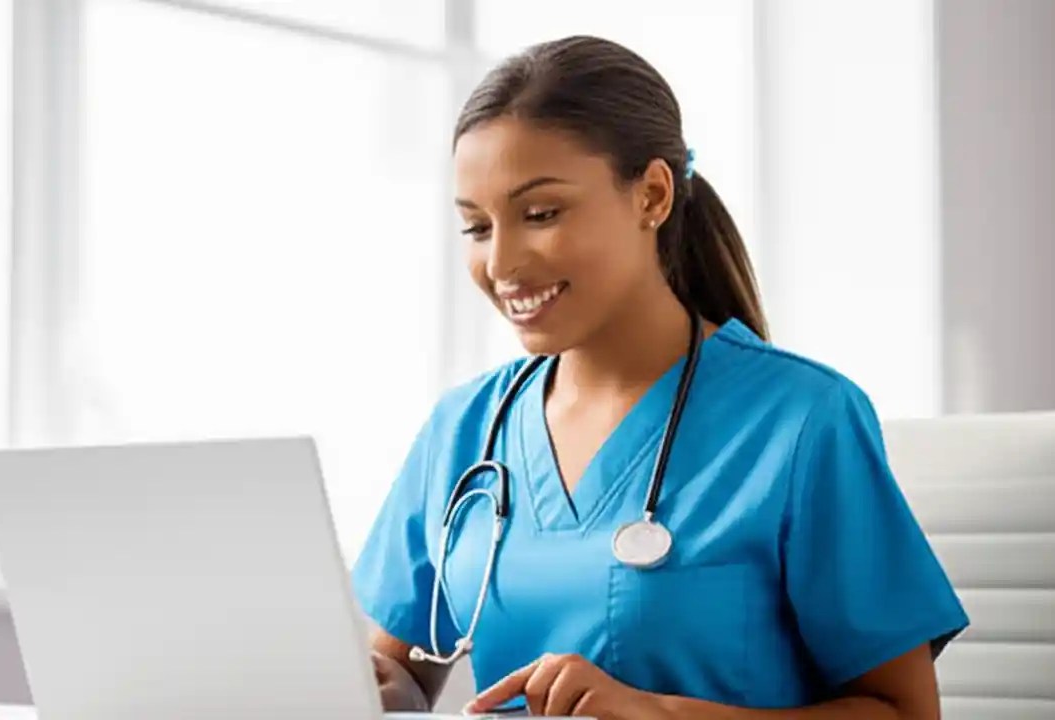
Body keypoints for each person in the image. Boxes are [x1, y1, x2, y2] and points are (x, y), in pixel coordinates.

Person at [353, 35, 968, 719]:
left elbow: (904, 713)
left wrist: (659, 715)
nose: (501, 263)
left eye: (541, 214)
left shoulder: (802, 421)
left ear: (651, 195)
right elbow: (400, 673)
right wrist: (363, 686)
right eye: (476, 227)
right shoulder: (464, 428)